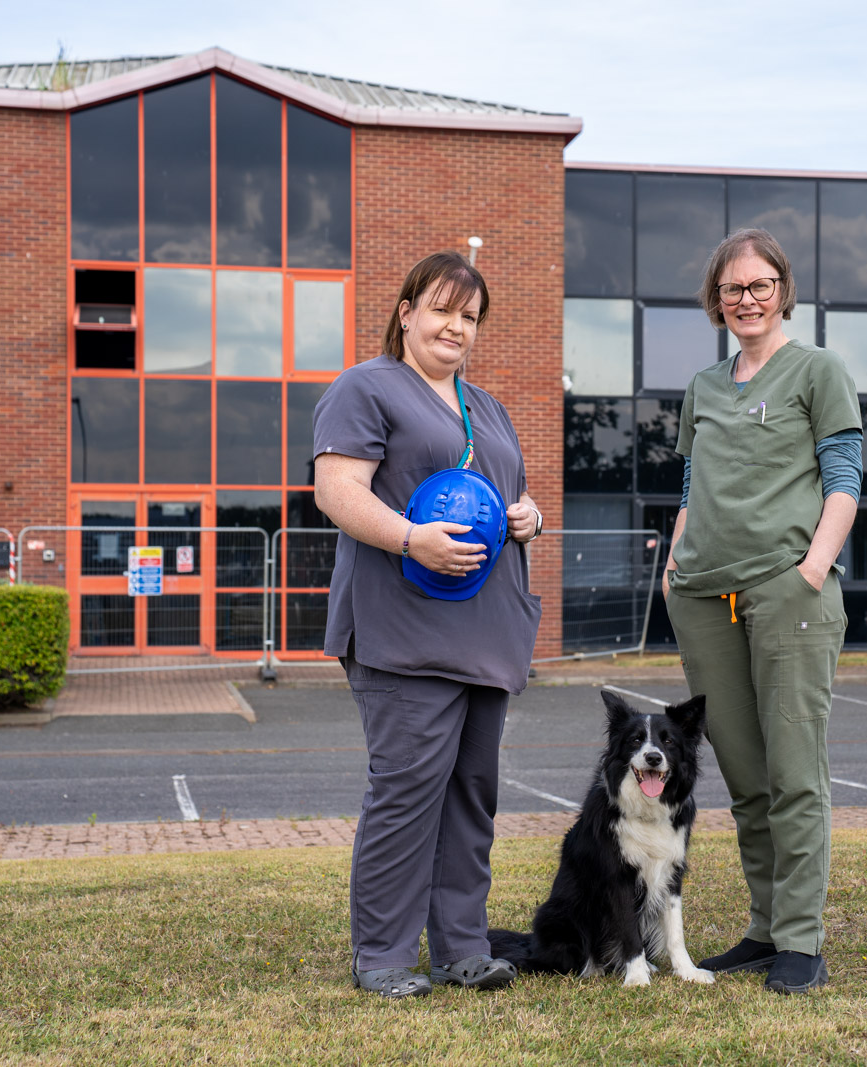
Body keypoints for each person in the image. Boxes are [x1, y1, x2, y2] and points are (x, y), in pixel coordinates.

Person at [313, 251, 544, 999]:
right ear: (407, 311)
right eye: (442, 309)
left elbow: (509, 494)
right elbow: (337, 491)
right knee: (408, 790)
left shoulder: (486, 406)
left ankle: (462, 949)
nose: (455, 326)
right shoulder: (365, 388)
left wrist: (530, 517)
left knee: (472, 794)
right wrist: (412, 539)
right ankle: (382, 954)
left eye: (469, 316)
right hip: (404, 631)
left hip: (485, 632)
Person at [662, 228, 863, 995]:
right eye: (731, 288)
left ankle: (801, 941)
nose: (745, 299)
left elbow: (844, 478)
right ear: (716, 300)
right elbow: (693, 486)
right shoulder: (704, 386)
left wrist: (811, 570)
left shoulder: (818, 371)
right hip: (703, 596)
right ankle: (765, 928)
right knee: (746, 774)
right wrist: (674, 567)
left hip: (788, 592)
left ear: (782, 290)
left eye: (759, 285)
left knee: (793, 772)